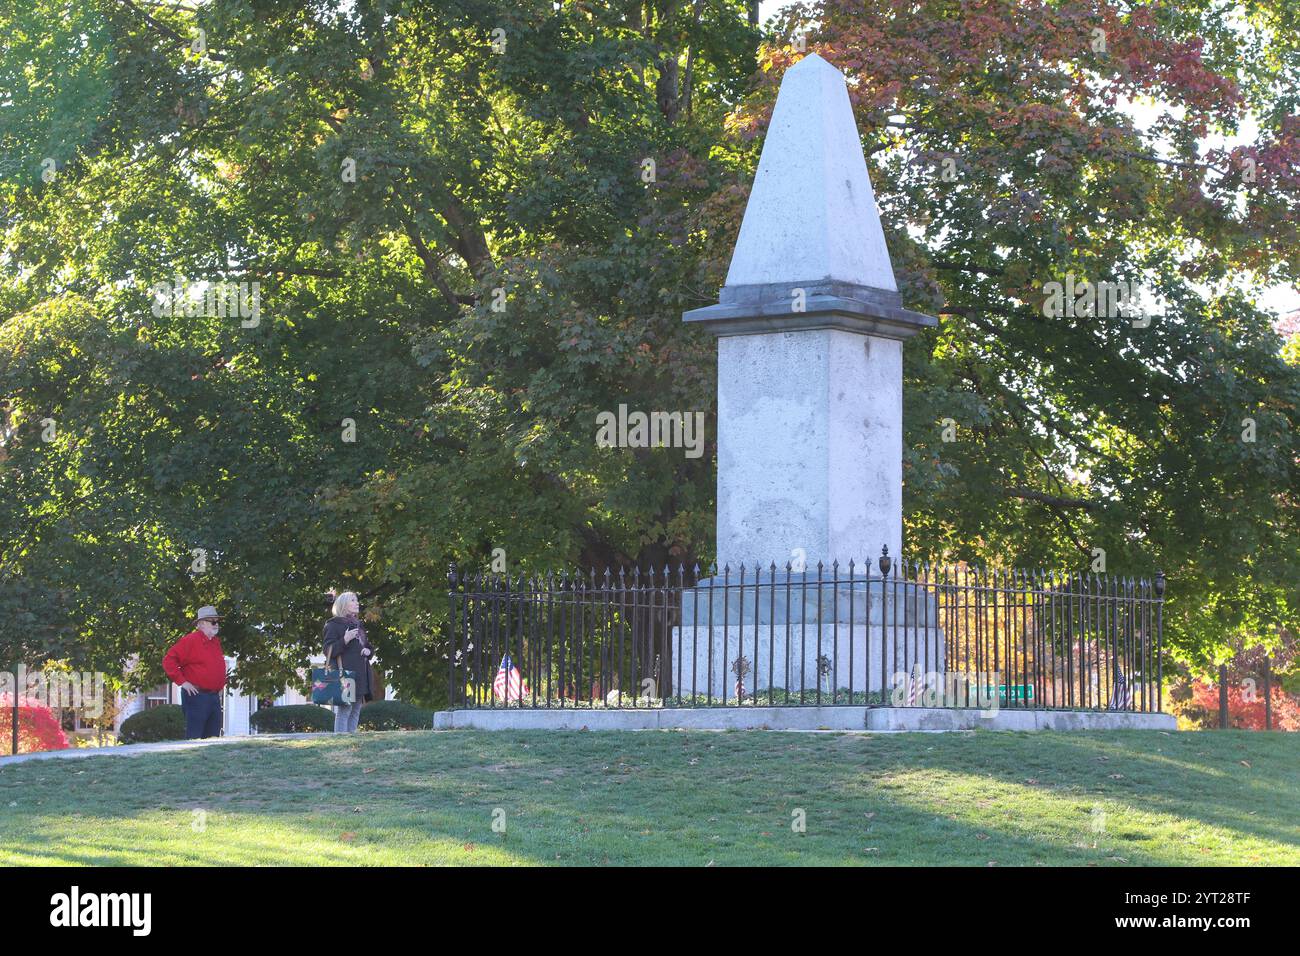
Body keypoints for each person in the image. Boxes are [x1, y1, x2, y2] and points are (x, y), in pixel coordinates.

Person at [162, 606, 228, 740]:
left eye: (217, 622)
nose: (217, 625)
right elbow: (169, 660)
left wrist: (219, 686)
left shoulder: (215, 642)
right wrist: (183, 682)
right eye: (213, 622)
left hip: (214, 697)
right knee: (195, 739)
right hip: (196, 696)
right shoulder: (190, 640)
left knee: (213, 739)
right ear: (202, 624)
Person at [322, 591, 373, 733]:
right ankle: (340, 742)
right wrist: (345, 639)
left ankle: (351, 741)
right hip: (345, 674)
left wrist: (368, 651)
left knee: (356, 709)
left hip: (361, 674)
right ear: (344, 604)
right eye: (353, 600)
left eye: (357, 600)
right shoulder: (333, 625)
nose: (357, 603)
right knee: (345, 710)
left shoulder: (358, 625)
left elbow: (366, 646)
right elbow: (328, 650)